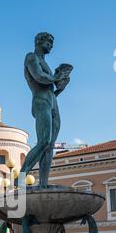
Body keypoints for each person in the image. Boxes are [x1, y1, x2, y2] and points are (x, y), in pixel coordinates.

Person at [20, 32, 73, 186]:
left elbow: (51, 90)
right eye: (48, 42)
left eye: (52, 43)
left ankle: (43, 183)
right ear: (39, 41)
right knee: (44, 141)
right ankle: (20, 177)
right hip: (41, 102)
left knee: (50, 147)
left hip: (53, 103)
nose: (51, 45)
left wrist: (62, 86)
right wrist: (56, 78)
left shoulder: (46, 64)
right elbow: (39, 77)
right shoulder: (31, 57)